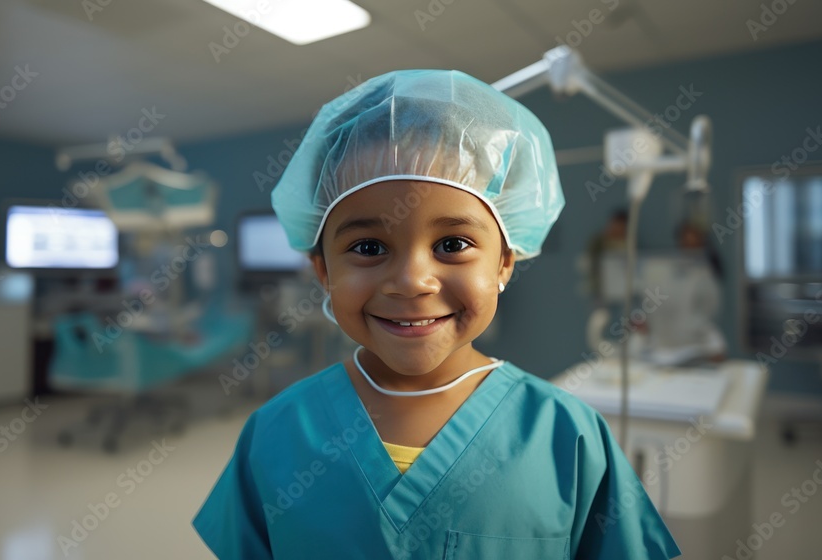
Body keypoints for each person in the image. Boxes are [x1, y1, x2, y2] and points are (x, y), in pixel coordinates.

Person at [192, 69, 680, 559]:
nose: (411, 280)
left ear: (505, 260)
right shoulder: (275, 434)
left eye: (452, 244)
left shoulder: (566, 437)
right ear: (322, 269)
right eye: (368, 246)